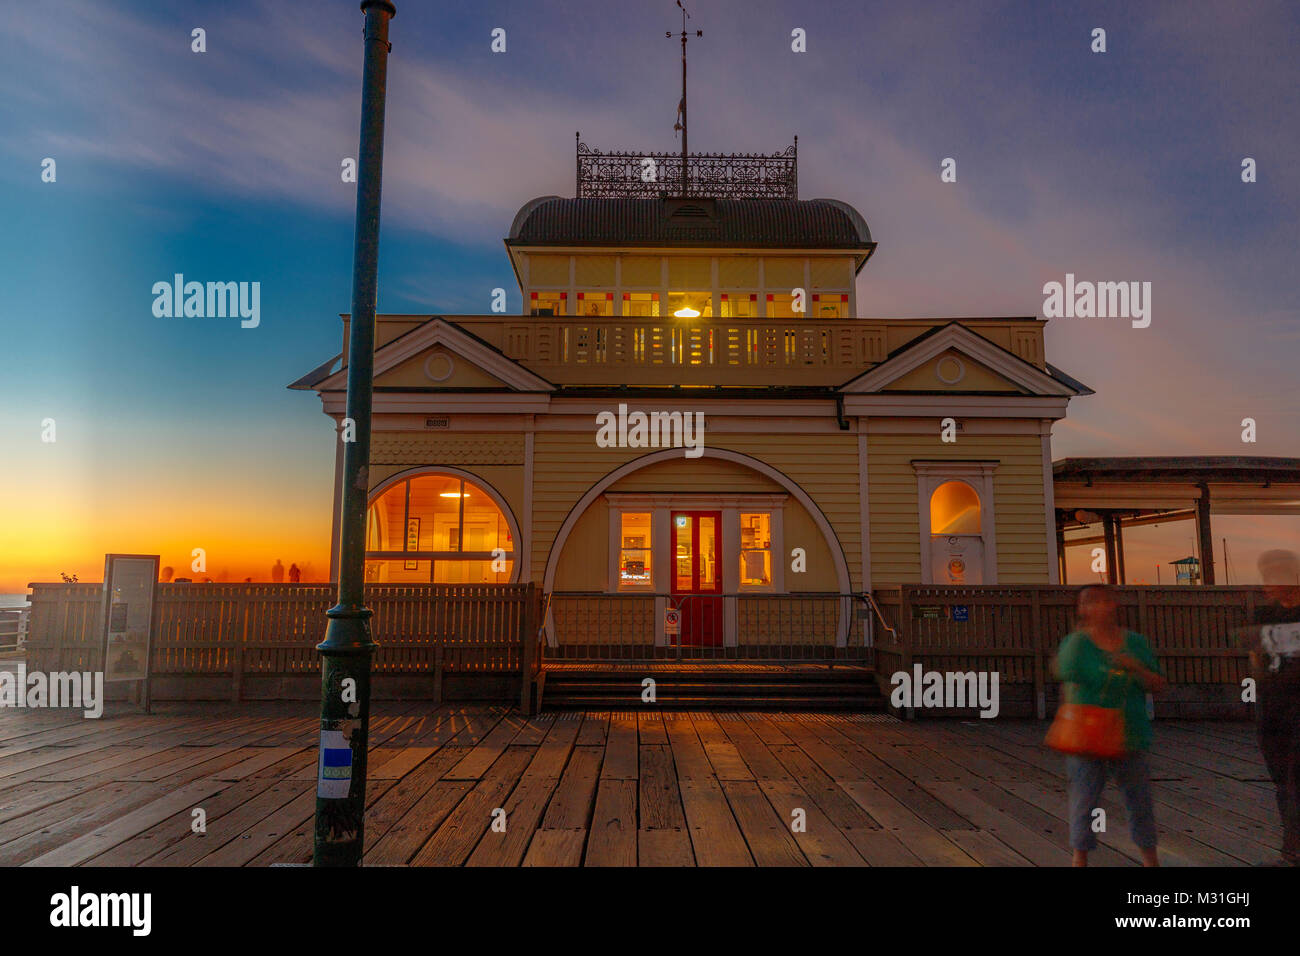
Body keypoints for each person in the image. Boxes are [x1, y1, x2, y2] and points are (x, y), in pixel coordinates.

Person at [1055, 585, 1167, 867]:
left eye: (1100, 601)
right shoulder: (1077, 643)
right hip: (1087, 734)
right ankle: (1080, 859)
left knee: (1139, 801)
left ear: (1113, 605)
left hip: (1130, 732)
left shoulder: (1135, 643)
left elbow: (1157, 683)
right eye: (1087, 603)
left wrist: (1134, 667)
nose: (1094, 607)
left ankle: (1150, 860)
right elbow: (1062, 671)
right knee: (1085, 802)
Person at [1251, 549, 1300, 865]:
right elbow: (1257, 659)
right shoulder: (1264, 616)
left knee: (1296, 779)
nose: (1266, 584)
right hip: (1272, 708)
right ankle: (1291, 846)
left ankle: (1292, 850)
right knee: (1282, 781)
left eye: (1272, 577)